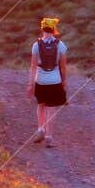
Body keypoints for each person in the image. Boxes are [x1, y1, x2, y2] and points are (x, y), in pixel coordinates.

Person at [28, 17, 69, 147]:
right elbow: (63, 66)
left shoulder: (36, 45)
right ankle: (49, 137)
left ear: (42, 29)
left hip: (40, 80)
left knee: (41, 105)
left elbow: (33, 66)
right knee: (51, 110)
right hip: (55, 81)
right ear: (53, 29)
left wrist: (31, 84)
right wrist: (64, 81)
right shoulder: (60, 45)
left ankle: (41, 129)